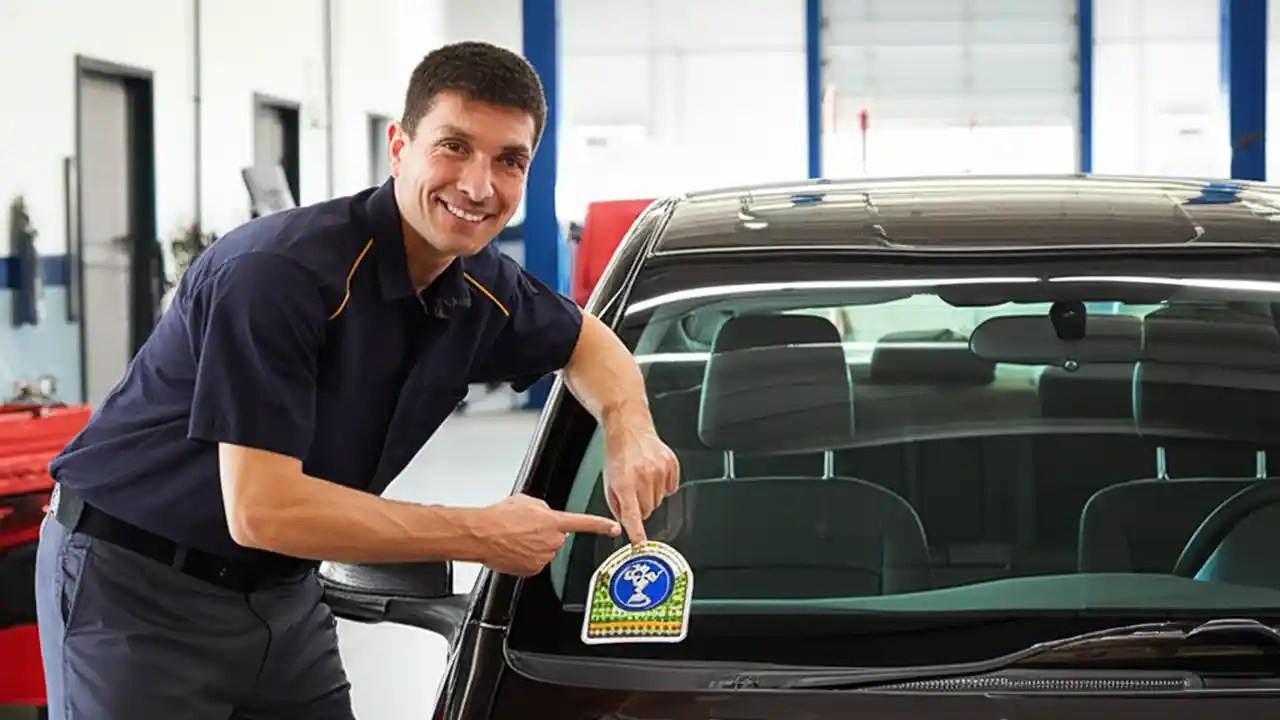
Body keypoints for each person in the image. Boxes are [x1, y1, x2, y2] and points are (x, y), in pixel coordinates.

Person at [35, 41, 679, 719]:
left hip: (282, 594)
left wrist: (629, 426)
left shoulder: (480, 282)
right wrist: (478, 534)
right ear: (399, 147)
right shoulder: (279, 277)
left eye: (508, 161)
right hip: (135, 588)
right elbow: (263, 510)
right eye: (454, 147)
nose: (479, 186)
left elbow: (587, 341)